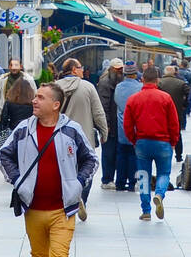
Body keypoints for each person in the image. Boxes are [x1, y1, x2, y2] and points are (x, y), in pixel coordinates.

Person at [0, 83, 96, 257]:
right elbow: (2, 154)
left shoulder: (71, 130)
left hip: (63, 209)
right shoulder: (23, 129)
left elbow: (90, 159)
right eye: (35, 97)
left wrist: (78, 184)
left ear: (55, 105)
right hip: (34, 208)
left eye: (41, 97)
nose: (34, 101)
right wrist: (18, 181)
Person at [123, 66, 181, 221]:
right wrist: (174, 141)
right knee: (164, 173)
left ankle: (146, 210)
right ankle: (159, 194)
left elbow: (127, 124)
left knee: (143, 175)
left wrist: (134, 140)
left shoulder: (133, 99)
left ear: (142, 80)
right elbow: (174, 123)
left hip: (142, 142)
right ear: (158, 80)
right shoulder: (166, 98)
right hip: (163, 142)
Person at [53, 59, 108, 221]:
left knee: (62, 171)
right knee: (86, 169)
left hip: (59, 137)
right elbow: (98, 113)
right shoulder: (88, 87)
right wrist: (104, 132)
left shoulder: (54, 88)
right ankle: (80, 197)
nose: (83, 70)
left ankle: (67, 201)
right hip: (83, 138)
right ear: (73, 70)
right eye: (80, 67)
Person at [113, 63, 144, 192]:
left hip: (121, 126)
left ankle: (119, 183)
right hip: (136, 127)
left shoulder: (118, 87)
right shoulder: (140, 87)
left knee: (121, 155)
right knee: (133, 155)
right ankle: (132, 183)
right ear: (135, 73)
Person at [97, 58, 125, 187]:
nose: (120, 71)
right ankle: (107, 179)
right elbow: (103, 106)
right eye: (117, 69)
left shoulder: (121, 81)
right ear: (111, 69)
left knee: (117, 152)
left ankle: (116, 179)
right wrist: (105, 125)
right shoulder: (104, 83)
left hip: (118, 123)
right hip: (109, 124)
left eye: (121, 69)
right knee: (108, 153)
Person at [0, 58, 36, 127]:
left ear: (21, 66)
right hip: (6, 115)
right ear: (9, 66)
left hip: (25, 115)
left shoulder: (29, 79)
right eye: (11, 65)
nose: (13, 68)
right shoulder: (2, 79)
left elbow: (35, 94)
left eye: (16, 65)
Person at [159, 64, 189, 163]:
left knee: (162, 133)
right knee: (177, 133)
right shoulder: (181, 83)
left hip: (161, 112)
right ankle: (179, 155)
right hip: (177, 112)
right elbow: (189, 94)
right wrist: (184, 105)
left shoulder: (159, 83)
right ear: (174, 73)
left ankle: (162, 154)